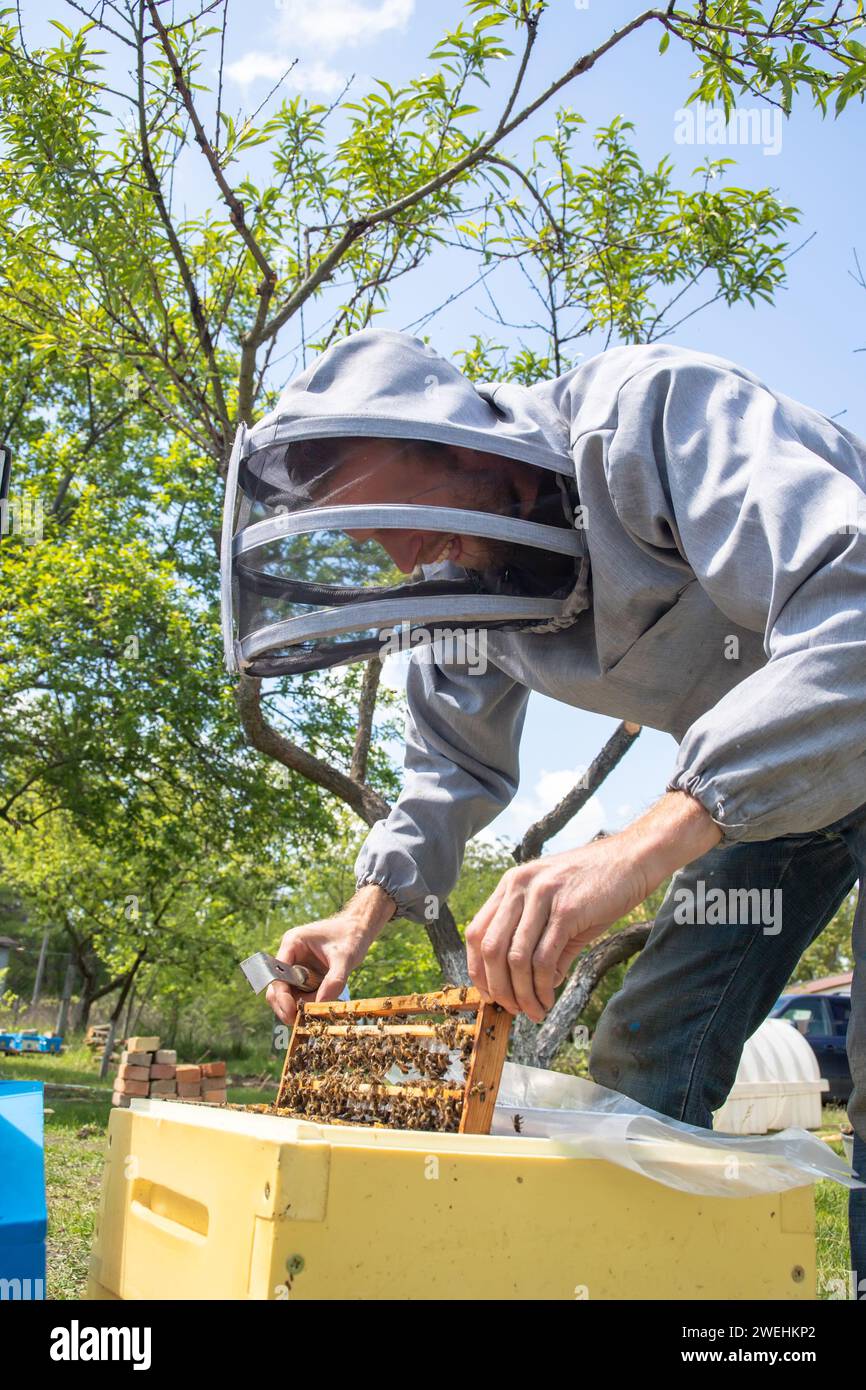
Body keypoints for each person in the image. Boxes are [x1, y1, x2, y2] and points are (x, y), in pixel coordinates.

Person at [228, 328, 866, 1290]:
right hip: (768, 785)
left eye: (401, 508)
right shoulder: (467, 588)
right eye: (370, 535)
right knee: (647, 1048)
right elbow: (447, 764)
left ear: (462, 443)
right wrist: (363, 915)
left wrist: (638, 846)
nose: (402, 551)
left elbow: (852, 607)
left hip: (805, 724)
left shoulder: (650, 417)